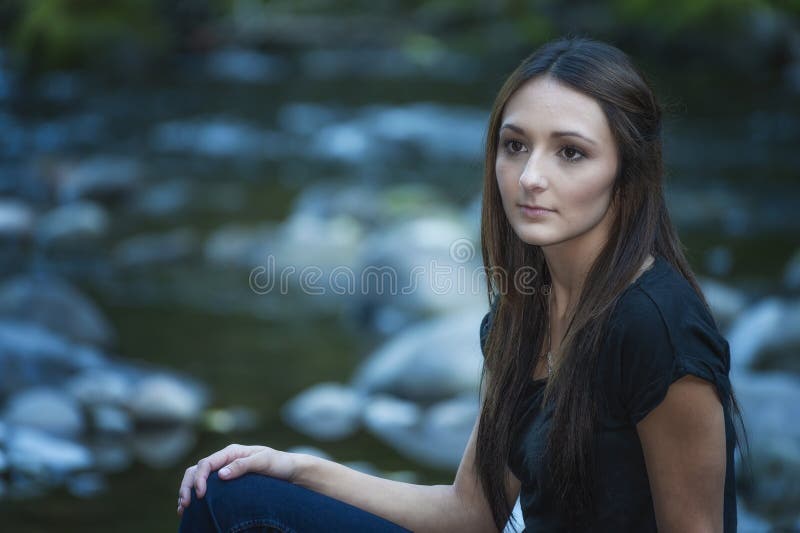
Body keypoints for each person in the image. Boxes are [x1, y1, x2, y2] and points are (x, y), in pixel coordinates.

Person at [176, 35, 749, 532]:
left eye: (571, 153)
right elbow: (470, 513)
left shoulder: (657, 326)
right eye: (515, 145)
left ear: (626, 174)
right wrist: (298, 468)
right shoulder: (523, 311)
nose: (530, 177)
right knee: (229, 498)